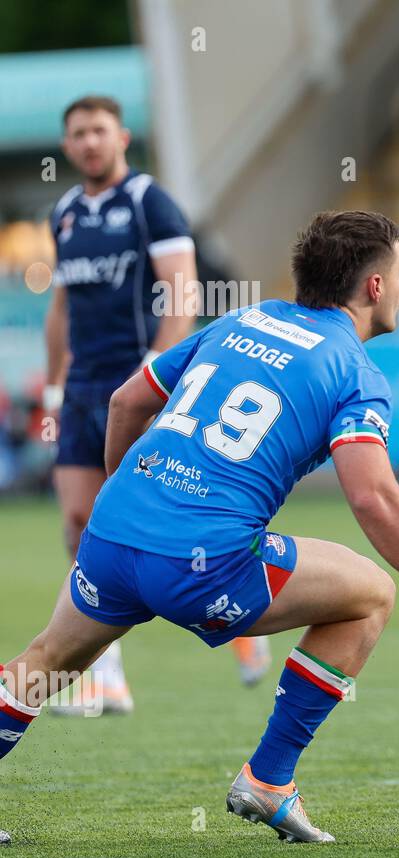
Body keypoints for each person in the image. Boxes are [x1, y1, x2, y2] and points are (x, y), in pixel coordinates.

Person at [0, 211, 399, 843]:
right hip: (202, 564)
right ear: (376, 288)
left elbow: (125, 402)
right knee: (370, 596)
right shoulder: (356, 374)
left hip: (113, 536)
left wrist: (125, 494)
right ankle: (269, 778)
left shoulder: (243, 319)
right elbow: (372, 498)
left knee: (44, 662)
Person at [44, 94, 269, 713]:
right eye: (79, 134)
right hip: (84, 390)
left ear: (121, 137)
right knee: (79, 526)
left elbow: (182, 293)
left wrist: (161, 382)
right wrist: (54, 381)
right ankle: (107, 673)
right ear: (67, 146)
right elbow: (61, 308)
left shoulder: (149, 202)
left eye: (99, 130)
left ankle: (239, 631)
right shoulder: (63, 213)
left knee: (161, 527)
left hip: (137, 390)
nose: (89, 142)